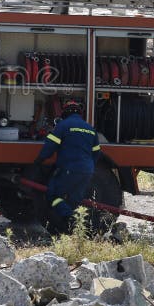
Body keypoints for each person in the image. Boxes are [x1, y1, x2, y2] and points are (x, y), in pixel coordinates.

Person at [34, 99, 101, 233]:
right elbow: (97, 153)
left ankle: (69, 218)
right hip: (87, 170)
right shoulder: (90, 129)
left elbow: (50, 146)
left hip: (69, 169)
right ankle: (74, 230)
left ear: (64, 113)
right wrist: (89, 167)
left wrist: (39, 160)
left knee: (54, 195)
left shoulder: (63, 125)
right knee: (75, 199)